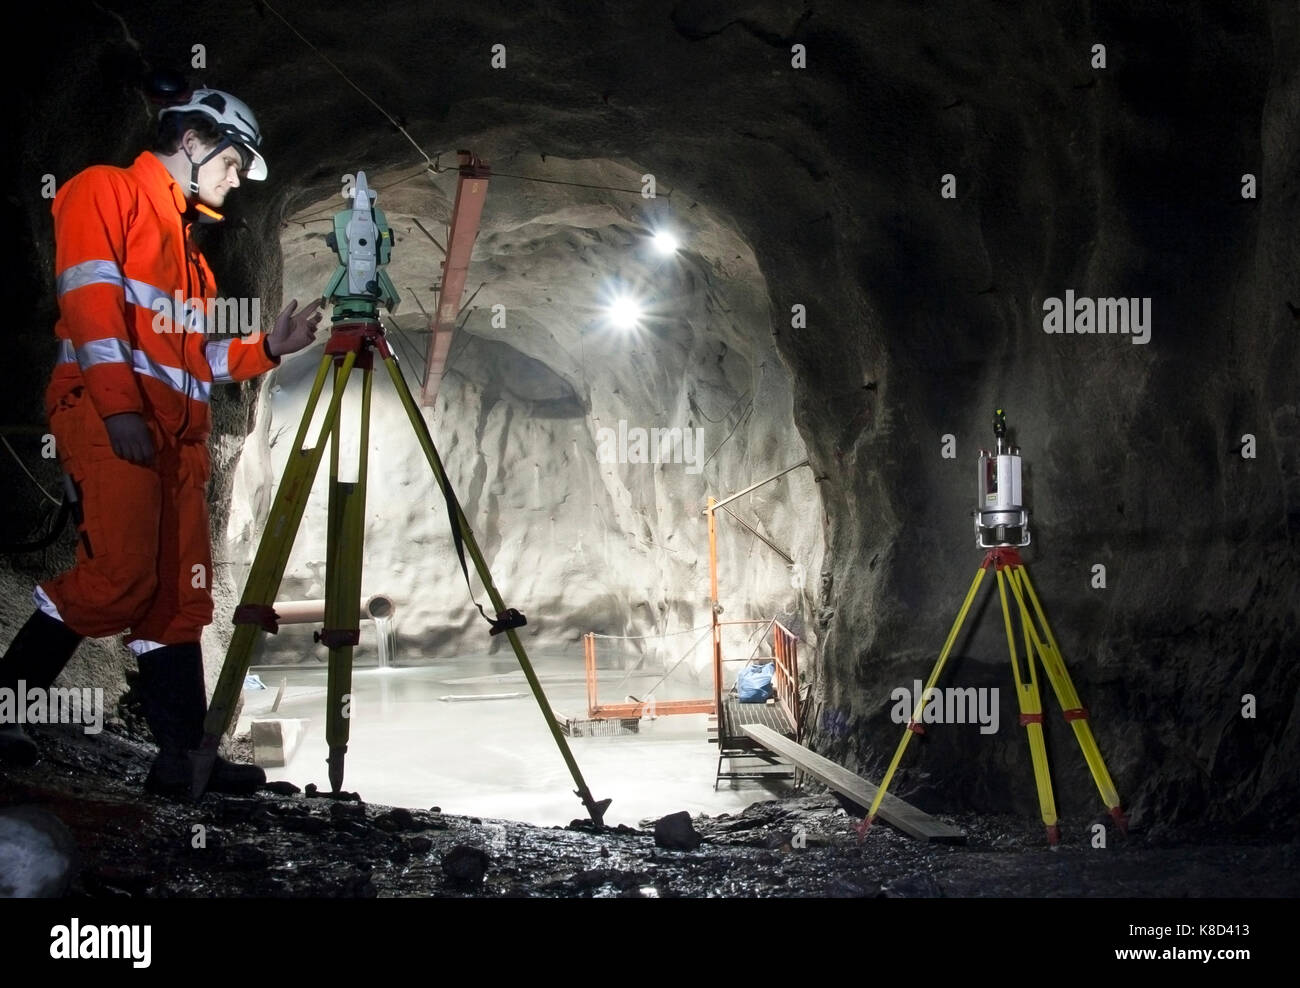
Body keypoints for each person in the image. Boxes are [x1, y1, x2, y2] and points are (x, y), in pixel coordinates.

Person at [0, 87, 322, 795]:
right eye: (234, 164)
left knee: (178, 600)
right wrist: (118, 412)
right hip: (112, 419)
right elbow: (89, 304)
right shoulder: (104, 191)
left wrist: (266, 347)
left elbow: (192, 362)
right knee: (118, 579)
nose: (235, 182)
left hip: (175, 441)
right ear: (195, 138)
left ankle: (183, 763)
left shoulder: (192, 256)